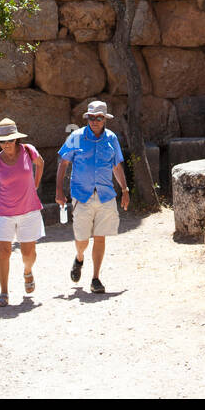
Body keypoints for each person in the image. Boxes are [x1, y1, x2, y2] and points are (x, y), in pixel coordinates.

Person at [55, 100, 129, 293]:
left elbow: (116, 166)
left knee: (100, 237)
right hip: (82, 195)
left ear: (105, 119)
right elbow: (63, 163)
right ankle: (79, 257)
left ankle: (95, 278)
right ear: (87, 118)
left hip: (105, 195)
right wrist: (59, 191)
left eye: (99, 117)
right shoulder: (76, 137)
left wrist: (125, 190)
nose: (95, 121)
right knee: (82, 240)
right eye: (91, 117)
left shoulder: (111, 138)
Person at [0, 118, 45, 308]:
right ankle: (4, 292)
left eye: (10, 139)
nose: (7, 144)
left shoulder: (28, 151)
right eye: (2, 140)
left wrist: (36, 185)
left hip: (29, 210)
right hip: (4, 212)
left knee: (28, 253)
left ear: (16, 139)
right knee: (3, 252)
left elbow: (40, 164)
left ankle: (27, 271)